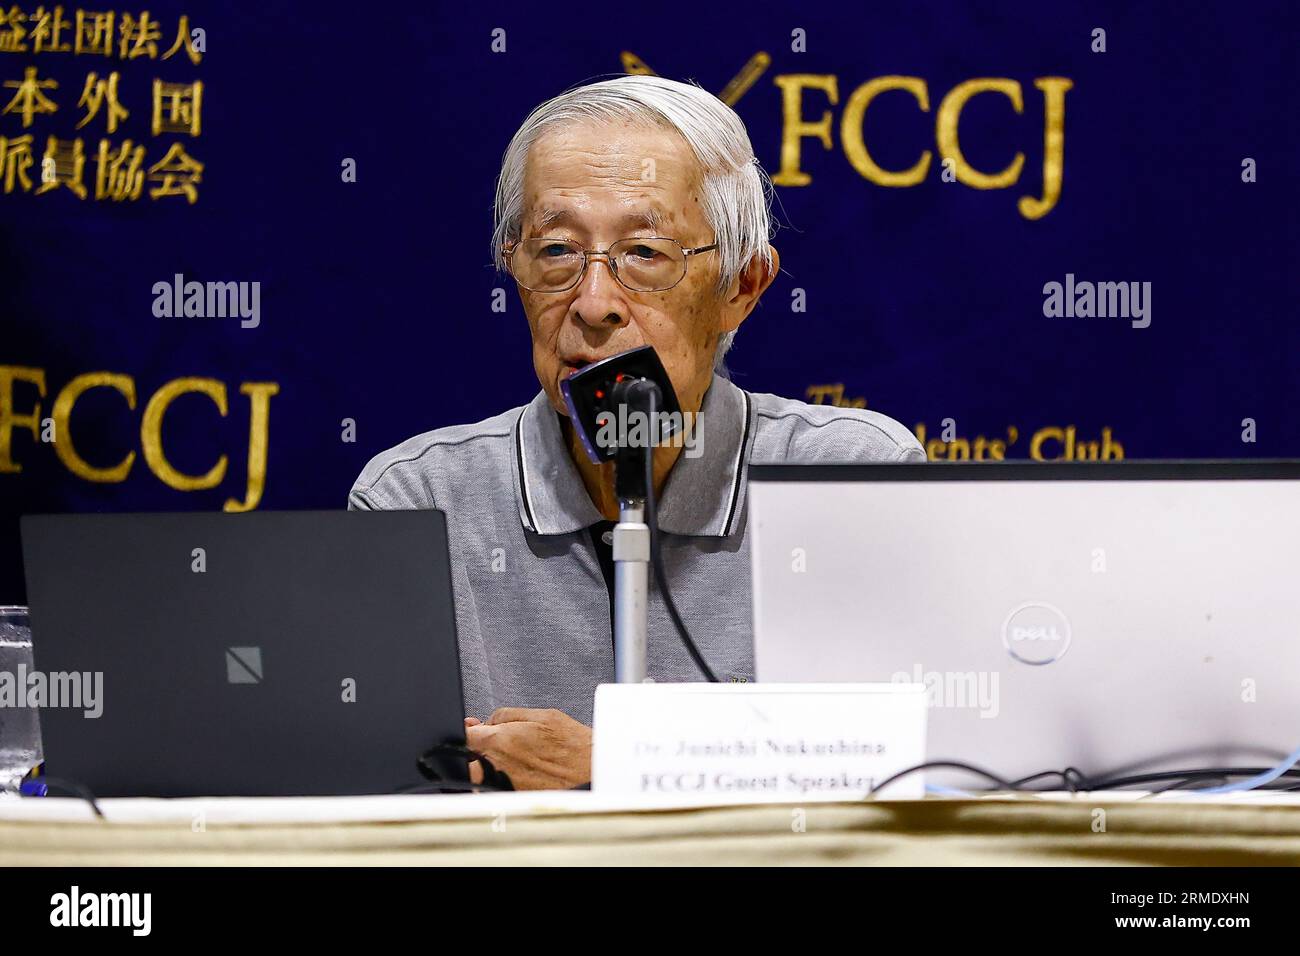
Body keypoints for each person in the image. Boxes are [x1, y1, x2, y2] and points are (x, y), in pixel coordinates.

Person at [349, 74, 924, 790]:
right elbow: (384, 796)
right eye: (556, 251)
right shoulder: (420, 498)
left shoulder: (851, 478)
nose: (593, 304)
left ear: (742, 287)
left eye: (645, 254)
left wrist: (621, 759)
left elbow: (909, 756)